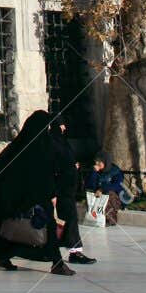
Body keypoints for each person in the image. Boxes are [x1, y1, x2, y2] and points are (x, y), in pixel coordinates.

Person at [0, 109, 75, 277]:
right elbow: (51, 174)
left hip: (12, 201)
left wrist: (2, 199)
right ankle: (57, 263)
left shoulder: (13, 148)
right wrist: (52, 194)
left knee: (8, 230)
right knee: (47, 232)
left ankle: (2, 256)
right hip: (37, 200)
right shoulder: (43, 149)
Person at [49, 112, 97, 266]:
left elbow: (66, 160)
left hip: (67, 191)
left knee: (67, 221)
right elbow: (53, 168)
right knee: (68, 220)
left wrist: (73, 165)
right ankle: (75, 252)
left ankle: (69, 250)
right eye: (61, 126)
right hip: (61, 191)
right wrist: (53, 193)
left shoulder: (61, 142)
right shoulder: (53, 143)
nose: (63, 128)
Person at [87, 156, 127, 224]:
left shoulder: (115, 171)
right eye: (96, 162)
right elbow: (90, 185)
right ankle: (97, 219)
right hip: (99, 195)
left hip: (117, 197)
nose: (97, 163)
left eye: (99, 161)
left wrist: (102, 189)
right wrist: (94, 172)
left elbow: (116, 186)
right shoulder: (97, 171)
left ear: (105, 162)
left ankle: (110, 220)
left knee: (109, 193)